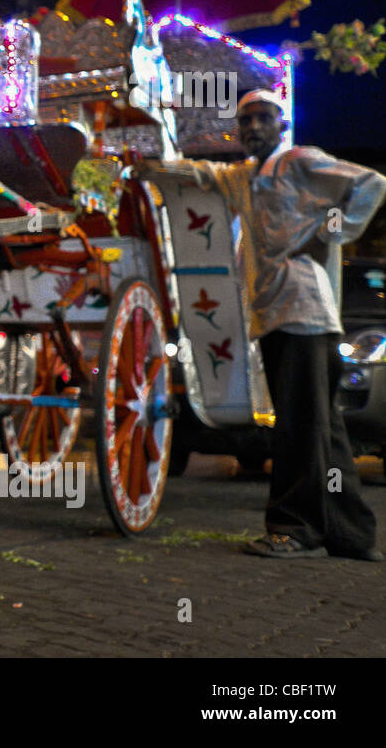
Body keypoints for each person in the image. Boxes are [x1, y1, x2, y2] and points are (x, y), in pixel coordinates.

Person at [140, 89, 386, 560]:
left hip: (303, 310)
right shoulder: (245, 176)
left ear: (281, 124)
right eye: (246, 120)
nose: (253, 127)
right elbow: (199, 174)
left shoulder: (299, 160)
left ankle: (295, 529)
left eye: (263, 119)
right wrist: (144, 167)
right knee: (321, 427)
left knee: (298, 427)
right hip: (277, 313)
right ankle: (350, 535)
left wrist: (333, 229)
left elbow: (371, 184)